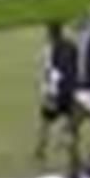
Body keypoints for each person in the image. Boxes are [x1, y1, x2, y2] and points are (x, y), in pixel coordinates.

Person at [35, 18, 80, 162]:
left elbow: (50, 73)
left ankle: (40, 149)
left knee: (45, 121)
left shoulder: (50, 50)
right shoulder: (72, 46)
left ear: (50, 34)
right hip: (71, 92)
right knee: (71, 124)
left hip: (56, 93)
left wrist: (48, 93)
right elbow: (76, 67)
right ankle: (74, 155)